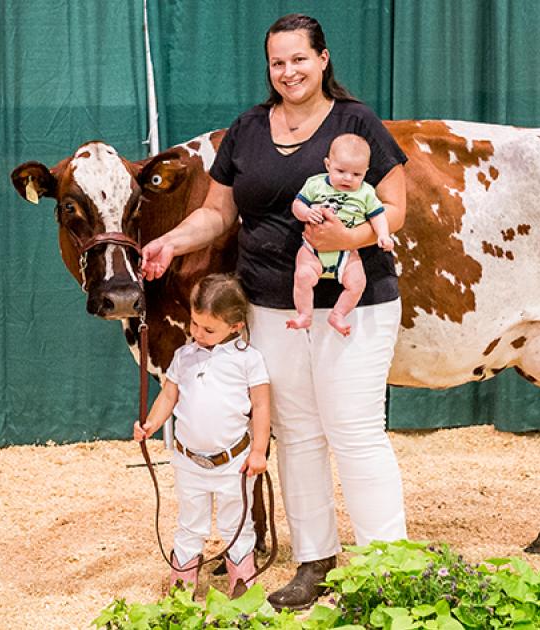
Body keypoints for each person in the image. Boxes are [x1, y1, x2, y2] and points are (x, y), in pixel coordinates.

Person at [140, 13, 409, 610]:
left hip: (353, 305)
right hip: (269, 306)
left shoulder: (355, 122)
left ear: (323, 59)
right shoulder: (248, 129)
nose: (288, 72)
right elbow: (218, 213)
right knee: (299, 435)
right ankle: (316, 562)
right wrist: (171, 243)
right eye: (277, 62)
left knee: (355, 432)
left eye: (299, 59)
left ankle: (389, 568)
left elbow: (395, 208)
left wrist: (350, 238)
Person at [133, 273, 271, 599]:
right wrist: (151, 423)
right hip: (189, 461)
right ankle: (183, 589)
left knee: (236, 523)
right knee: (190, 524)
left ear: (235, 326)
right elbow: (169, 395)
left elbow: (261, 406)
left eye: (208, 329)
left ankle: (243, 587)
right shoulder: (184, 355)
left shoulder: (249, 359)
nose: (197, 333)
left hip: (234, 462)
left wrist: (259, 451)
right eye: (194, 324)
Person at [288, 134, 395, 336]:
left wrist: (383, 235)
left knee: (357, 283)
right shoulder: (315, 184)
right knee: (302, 276)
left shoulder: (366, 192)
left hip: (346, 254)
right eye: (340, 171)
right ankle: (304, 314)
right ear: (328, 165)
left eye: (356, 174)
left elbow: (378, 215)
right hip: (312, 250)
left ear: (366, 172)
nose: (348, 178)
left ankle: (338, 314)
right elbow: (297, 205)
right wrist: (306, 213)